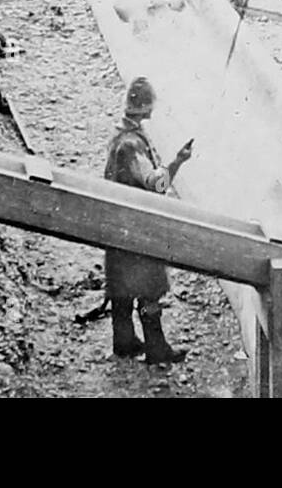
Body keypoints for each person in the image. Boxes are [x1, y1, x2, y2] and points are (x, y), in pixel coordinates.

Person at [104, 77, 194, 365]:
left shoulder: (120, 136)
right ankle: (157, 349)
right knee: (149, 289)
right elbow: (154, 184)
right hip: (137, 228)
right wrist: (178, 162)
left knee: (121, 287)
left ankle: (125, 342)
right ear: (143, 108)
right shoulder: (131, 145)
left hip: (117, 224)